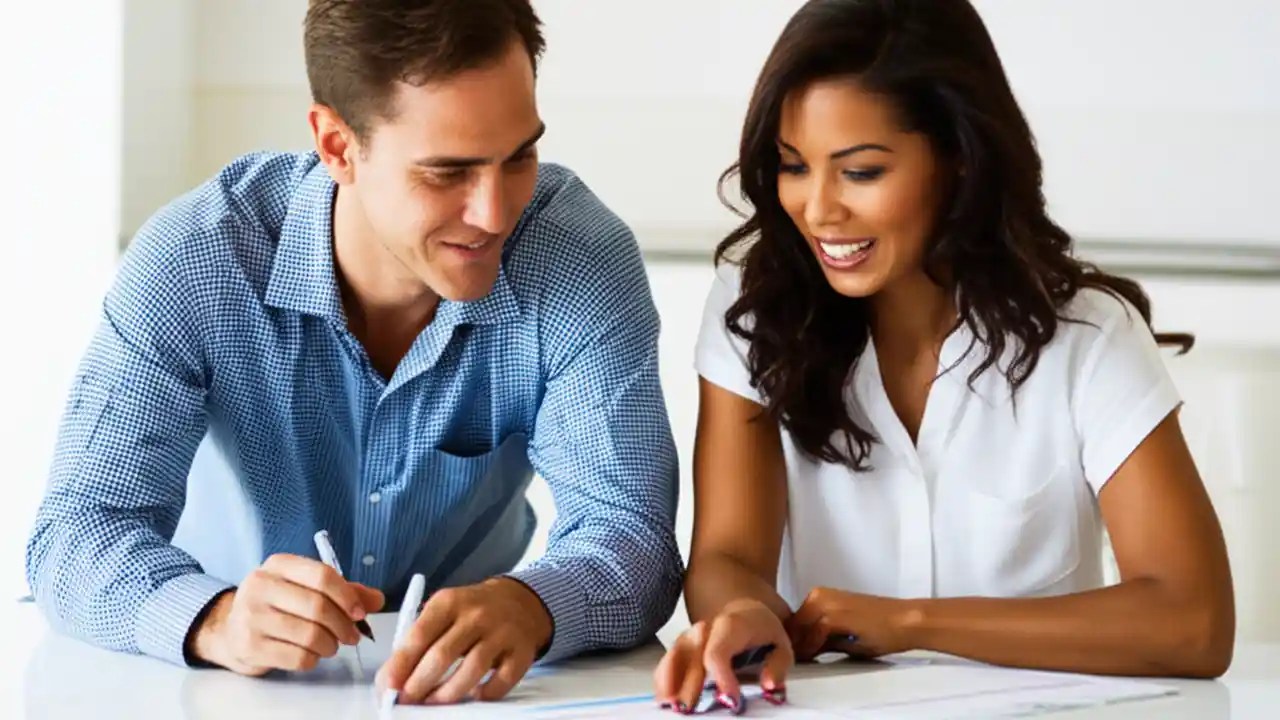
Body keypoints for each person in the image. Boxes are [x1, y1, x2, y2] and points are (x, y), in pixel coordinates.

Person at [26, 0, 682, 705]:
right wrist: (214, 620)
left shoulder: (578, 259)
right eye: (447, 172)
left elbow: (633, 537)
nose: (495, 213)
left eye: (519, 155)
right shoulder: (196, 259)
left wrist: (533, 604)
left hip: (464, 695)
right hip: (213, 689)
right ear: (337, 146)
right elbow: (74, 536)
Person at [654, 0, 1235, 712]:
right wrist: (745, 613)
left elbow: (1194, 622)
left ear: (959, 158)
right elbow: (726, 557)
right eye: (793, 166)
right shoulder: (757, 306)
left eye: (861, 172)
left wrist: (909, 623)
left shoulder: (1088, 337)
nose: (818, 209)